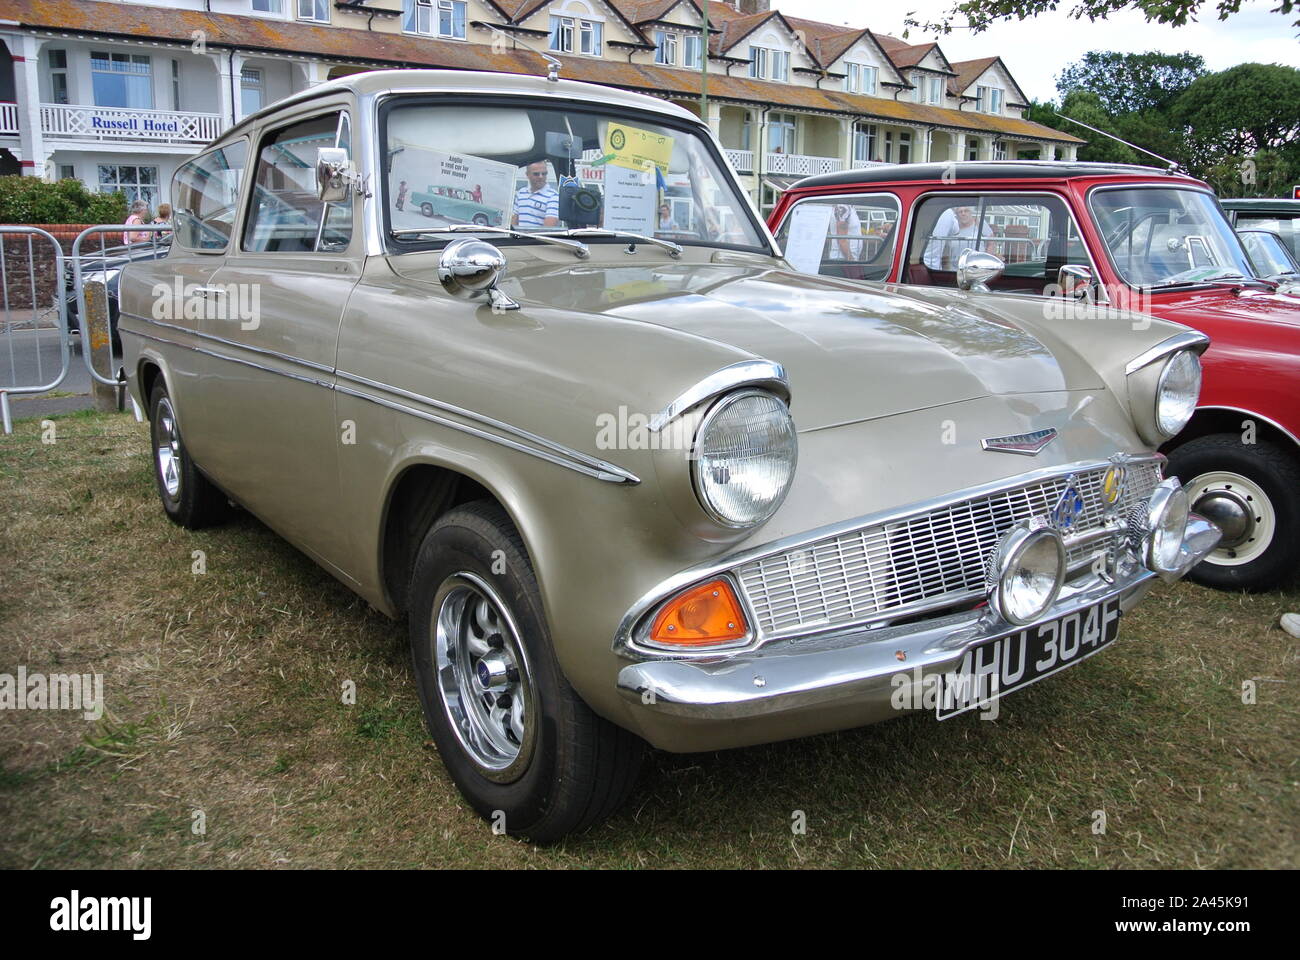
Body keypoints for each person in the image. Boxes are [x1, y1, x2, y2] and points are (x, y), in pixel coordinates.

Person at [922, 204, 986, 270]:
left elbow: (991, 241)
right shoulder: (950, 217)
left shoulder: (979, 222)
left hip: (977, 267)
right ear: (956, 214)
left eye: (966, 211)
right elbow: (946, 250)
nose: (963, 213)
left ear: (971, 213)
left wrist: (986, 262)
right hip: (952, 267)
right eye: (960, 212)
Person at [512, 161, 559, 229]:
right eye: (536, 174)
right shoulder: (521, 193)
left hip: (538, 239)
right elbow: (514, 220)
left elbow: (548, 229)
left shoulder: (553, 196)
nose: (541, 176)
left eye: (544, 173)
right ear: (527, 174)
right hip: (519, 238)